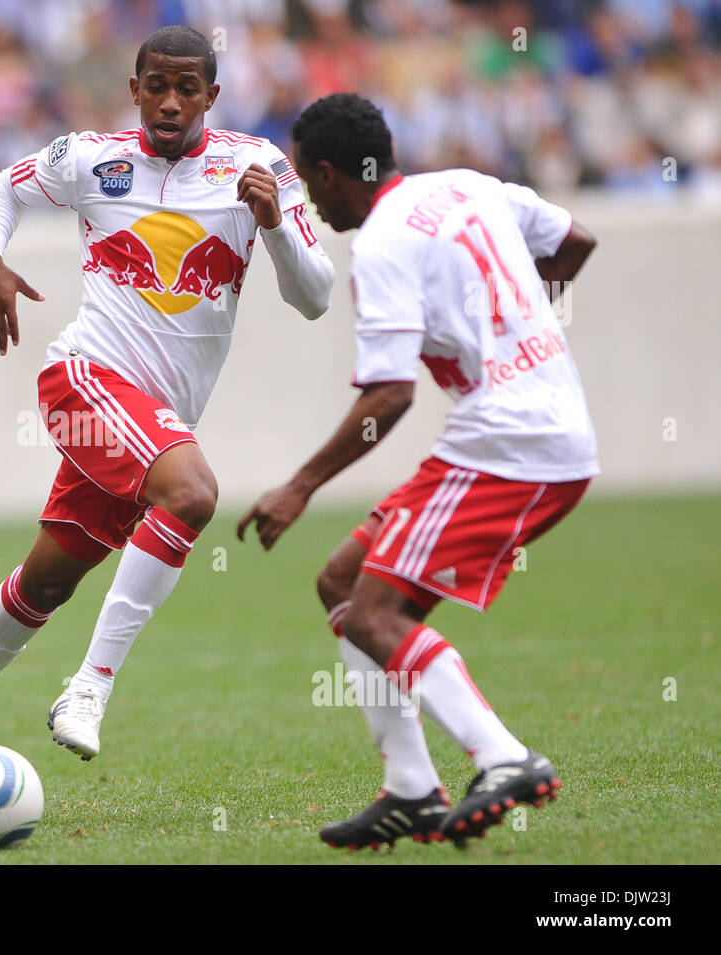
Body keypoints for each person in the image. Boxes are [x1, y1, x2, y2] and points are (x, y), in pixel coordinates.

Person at [0, 26, 335, 760]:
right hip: (83, 379)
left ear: (212, 95)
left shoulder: (257, 167)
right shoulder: (91, 158)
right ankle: (90, 686)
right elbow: (7, 189)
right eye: (156, 86)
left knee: (51, 577)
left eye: (187, 89)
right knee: (193, 493)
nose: (169, 102)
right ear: (135, 88)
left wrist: (273, 227)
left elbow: (316, 297)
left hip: (150, 425)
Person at [236, 92, 599, 848]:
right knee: (343, 581)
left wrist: (299, 484)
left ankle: (505, 757)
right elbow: (575, 243)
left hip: (508, 444)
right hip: (531, 429)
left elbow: (390, 395)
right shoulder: (471, 186)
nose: (309, 198)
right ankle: (410, 786)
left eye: (307, 182)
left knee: (375, 615)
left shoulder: (380, 244)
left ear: (332, 175)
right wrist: (520, 322)